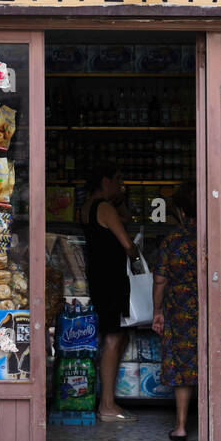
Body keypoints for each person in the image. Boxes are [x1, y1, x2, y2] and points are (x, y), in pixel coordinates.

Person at [81, 165, 141, 422]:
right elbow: (127, 243)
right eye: (118, 180)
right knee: (113, 338)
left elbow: (123, 217)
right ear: (105, 180)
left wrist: (120, 199)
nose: (121, 185)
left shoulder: (86, 207)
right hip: (111, 280)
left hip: (98, 278)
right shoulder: (104, 208)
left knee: (117, 335)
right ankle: (107, 405)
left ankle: (107, 401)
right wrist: (136, 255)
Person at [151, 182, 198, 441]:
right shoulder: (216, 236)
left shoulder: (173, 241)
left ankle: (180, 426)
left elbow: (160, 280)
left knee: (183, 366)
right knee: (213, 360)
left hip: (179, 308)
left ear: (180, 211)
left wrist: (157, 310)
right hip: (212, 305)